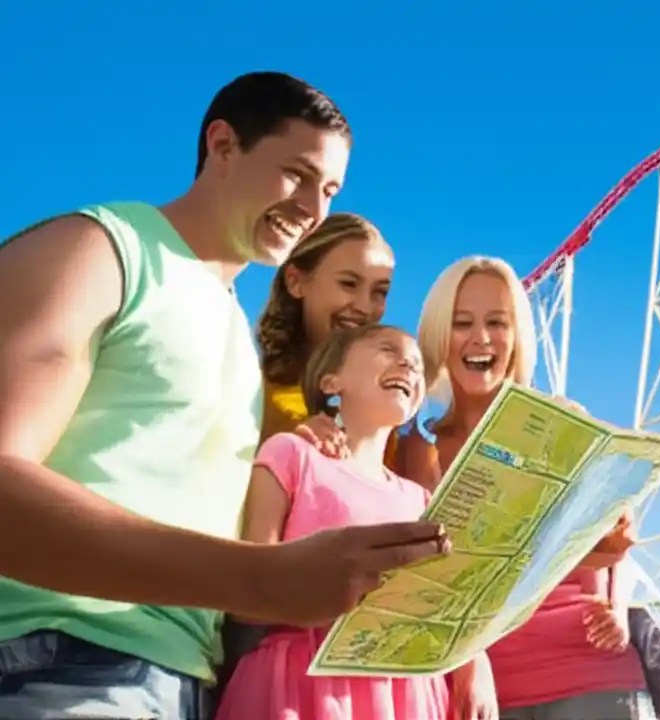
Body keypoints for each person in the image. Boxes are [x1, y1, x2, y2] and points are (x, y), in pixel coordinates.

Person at [0, 71, 446, 719]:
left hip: (191, 684)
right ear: (223, 145)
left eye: (329, 190)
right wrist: (264, 578)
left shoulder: (239, 339)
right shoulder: (99, 249)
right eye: (297, 173)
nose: (312, 208)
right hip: (62, 662)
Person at [400, 256, 648, 720]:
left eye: (498, 322)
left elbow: (619, 553)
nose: (482, 338)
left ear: (517, 336)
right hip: (482, 691)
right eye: (461, 323)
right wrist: (471, 663)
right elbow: (427, 579)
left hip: (589, 671)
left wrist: (615, 584)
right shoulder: (418, 448)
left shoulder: (562, 417)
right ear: (437, 333)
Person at [216, 324, 451, 720]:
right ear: (331, 381)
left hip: (403, 694)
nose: (408, 364)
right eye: (387, 349)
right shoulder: (290, 453)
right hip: (297, 683)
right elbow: (248, 595)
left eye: (416, 364)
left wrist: (474, 667)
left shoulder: (422, 500)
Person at [257, 211, 396, 457]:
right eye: (349, 284)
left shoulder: (384, 406)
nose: (364, 307)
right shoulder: (253, 395)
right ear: (295, 282)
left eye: (380, 292)